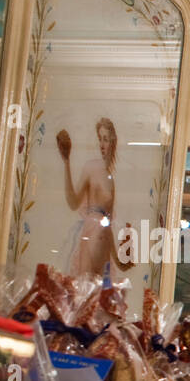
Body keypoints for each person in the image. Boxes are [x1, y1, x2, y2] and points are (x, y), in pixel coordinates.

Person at [58, 118, 125, 279]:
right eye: (100, 139)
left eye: (106, 139)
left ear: (112, 142)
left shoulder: (110, 177)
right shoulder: (91, 167)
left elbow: (108, 224)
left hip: (103, 242)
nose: (102, 144)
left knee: (100, 293)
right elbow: (73, 202)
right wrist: (66, 161)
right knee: (86, 287)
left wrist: (117, 259)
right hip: (91, 234)